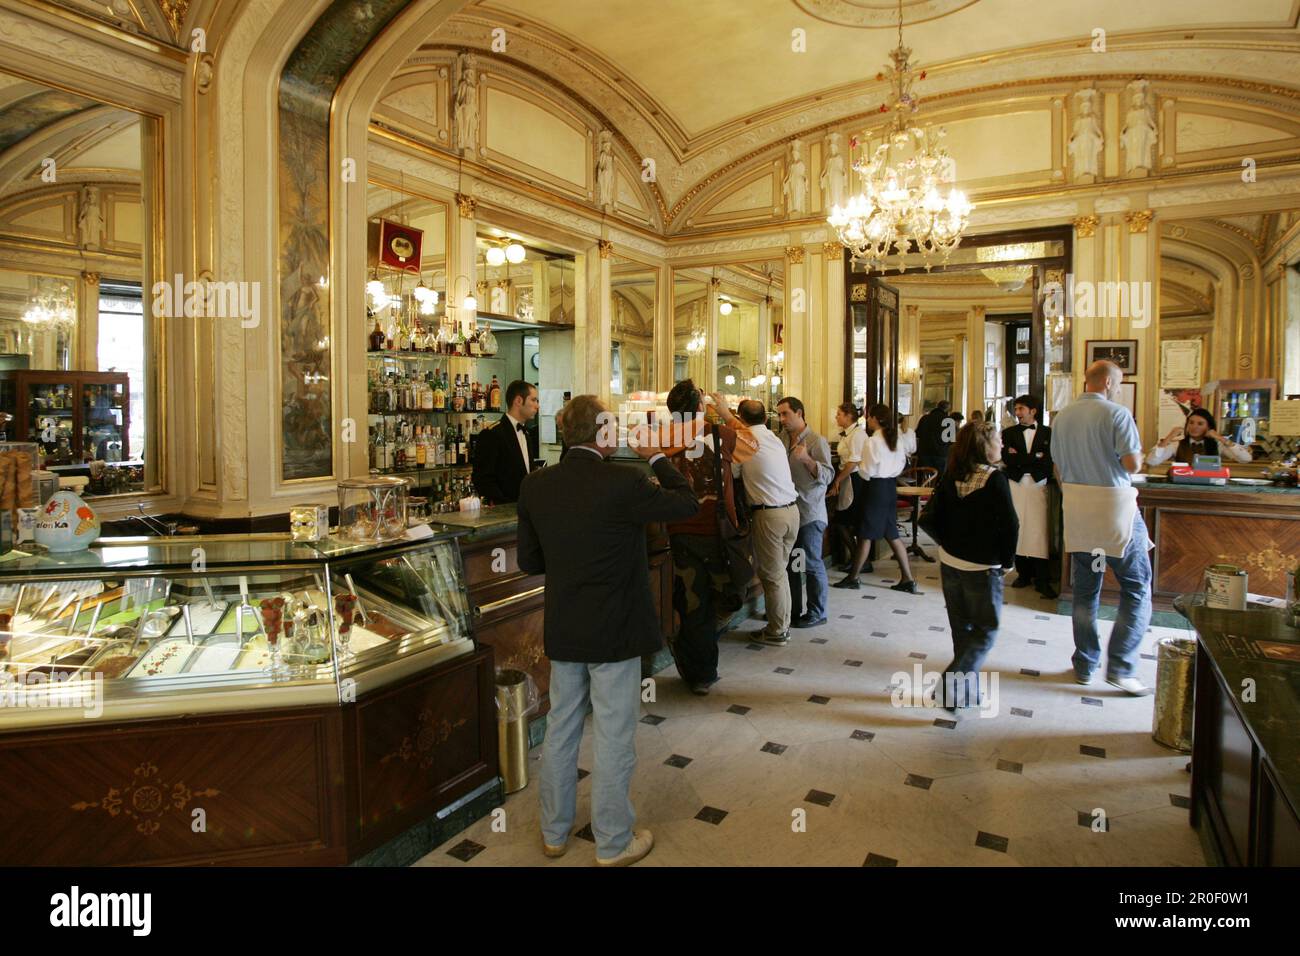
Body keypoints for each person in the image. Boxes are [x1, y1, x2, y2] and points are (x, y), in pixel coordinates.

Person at [517, 395, 698, 866]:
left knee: (560, 729)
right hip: (615, 629)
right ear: (601, 434)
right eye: (613, 427)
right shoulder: (626, 481)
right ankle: (613, 843)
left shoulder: (536, 486)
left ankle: (553, 835)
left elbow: (530, 562)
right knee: (615, 734)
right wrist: (656, 455)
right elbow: (686, 502)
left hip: (565, 625)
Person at [1052, 361, 1152, 696]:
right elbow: (1132, 463)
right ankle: (1121, 667)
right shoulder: (1117, 414)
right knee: (1137, 588)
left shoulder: (1062, 417)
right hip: (1114, 513)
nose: (1119, 389)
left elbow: (1057, 468)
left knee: (1085, 591)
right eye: (1119, 383)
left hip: (1081, 514)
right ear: (1108, 382)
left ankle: (1085, 663)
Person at [655, 380, 758, 694]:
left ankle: (694, 662)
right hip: (718, 531)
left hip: (681, 530)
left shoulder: (663, 436)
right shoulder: (720, 434)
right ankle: (701, 672)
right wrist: (726, 413)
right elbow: (752, 444)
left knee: (693, 603)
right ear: (701, 407)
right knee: (725, 596)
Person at [920, 421, 1019, 711]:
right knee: (986, 628)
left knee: (962, 629)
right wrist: (1008, 561)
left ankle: (961, 694)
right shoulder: (994, 479)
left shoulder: (952, 474)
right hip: (981, 566)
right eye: (998, 440)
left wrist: (948, 543)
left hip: (950, 562)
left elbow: (931, 518)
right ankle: (951, 683)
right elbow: (1010, 524)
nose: (1001, 444)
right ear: (984, 446)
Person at [713, 396, 800, 645]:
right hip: (791, 512)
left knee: (772, 576)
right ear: (765, 418)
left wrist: (725, 417)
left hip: (770, 515)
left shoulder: (746, 440)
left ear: (740, 418)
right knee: (779, 574)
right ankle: (781, 623)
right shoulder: (772, 437)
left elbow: (734, 471)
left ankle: (777, 631)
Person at [833, 402, 918, 593]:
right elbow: (902, 464)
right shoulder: (897, 440)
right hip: (889, 487)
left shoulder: (873, 442)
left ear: (876, 419)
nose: (867, 420)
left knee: (865, 534)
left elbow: (865, 471)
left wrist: (865, 475)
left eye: (870, 417)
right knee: (891, 534)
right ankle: (907, 578)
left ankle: (853, 577)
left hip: (875, 488)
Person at [776, 396, 834, 628]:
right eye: (779, 415)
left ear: (799, 413)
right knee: (792, 565)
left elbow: (828, 476)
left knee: (811, 563)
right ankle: (793, 610)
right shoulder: (780, 439)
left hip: (810, 512)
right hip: (789, 512)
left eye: (785, 414)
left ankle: (817, 613)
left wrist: (807, 460)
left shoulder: (815, 441)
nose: (781, 419)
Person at [1003, 393, 1060, 599]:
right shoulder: (1009, 433)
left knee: (1038, 529)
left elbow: (1048, 460)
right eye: (1016, 409)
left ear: (1033, 411)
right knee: (1018, 525)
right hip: (1016, 483)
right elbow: (1007, 459)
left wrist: (1022, 458)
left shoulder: (1048, 433)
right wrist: (1034, 457)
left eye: (1021, 409)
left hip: (1038, 484)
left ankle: (1042, 579)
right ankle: (1023, 574)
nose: (1017, 413)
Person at [472, 379, 539, 503]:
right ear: (518, 401)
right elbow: (483, 479)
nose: (537, 406)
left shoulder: (527, 434)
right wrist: (504, 505)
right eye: (533, 400)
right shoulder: (492, 434)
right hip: (503, 511)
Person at [829, 402, 867, 570]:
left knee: (843, 521)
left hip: (854, 480)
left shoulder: (858, 434)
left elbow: (854, 461)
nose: (836, 417)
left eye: (839, 414)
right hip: (848, 478)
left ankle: (858, 560)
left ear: (848, 416)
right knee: (843, 520)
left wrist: (838, 479)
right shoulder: (847, 434)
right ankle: (857, 559)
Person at [1147, 408, 1251, 466]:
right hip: (1182, 488)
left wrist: (1221, 438)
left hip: (1211, 490)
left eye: (1200, 424)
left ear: (1208, 427)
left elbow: (1246, 459)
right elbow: (1151, 461)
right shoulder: (1177, 445)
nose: (1194, 427)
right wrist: (1168, 438)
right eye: (1191, 423)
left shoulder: (1218, 445)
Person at [915, 400, 950, 474]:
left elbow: (917, 434)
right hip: (941, 453)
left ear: (937, 406)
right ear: (947, 409)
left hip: (925, 452)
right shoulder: (949, 420)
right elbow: (951, 440)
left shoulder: (925, 418)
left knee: (926, 478)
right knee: (939, 478)